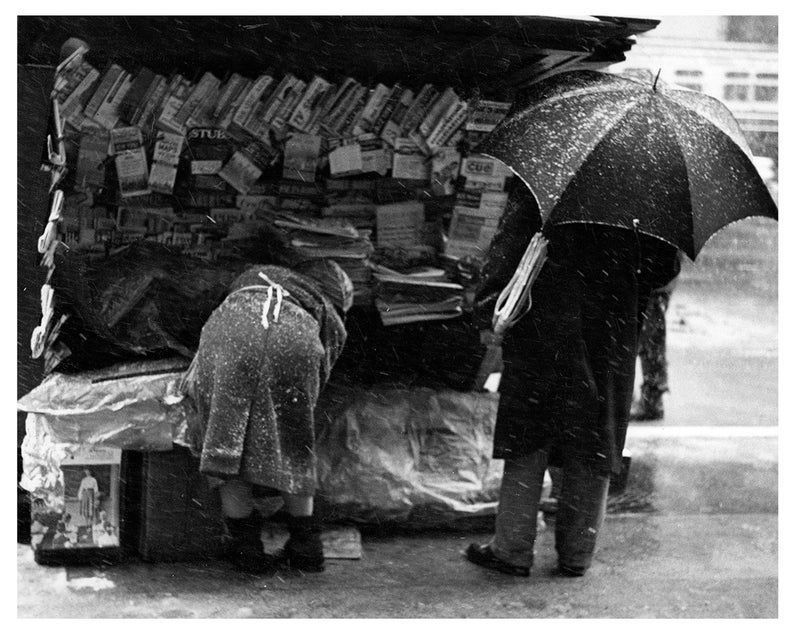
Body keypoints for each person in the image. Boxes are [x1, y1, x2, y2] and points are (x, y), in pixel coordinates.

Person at [466, 181, 680, 577]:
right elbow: (661, 269)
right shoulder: (652, 184)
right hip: (612, 329)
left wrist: (486, 307)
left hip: (544, 318)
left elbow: (511, 245)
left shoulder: (546, 172)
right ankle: (577, 552)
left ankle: (513, 548)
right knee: (594, 437)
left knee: (530, 433)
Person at [183, 259, 353, 575]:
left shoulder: (253, 277)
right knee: (294, 442)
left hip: (230, 334)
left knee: (226, 440)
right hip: (295, 338)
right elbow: (320, 376)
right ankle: (307, 547)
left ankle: (246, 549)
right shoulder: (325, 311)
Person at [630, 265, 680, 421]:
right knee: (650, 335)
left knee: (649, 334)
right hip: (654, 274)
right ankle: (650, 396)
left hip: (652, 275)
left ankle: (651, 397)